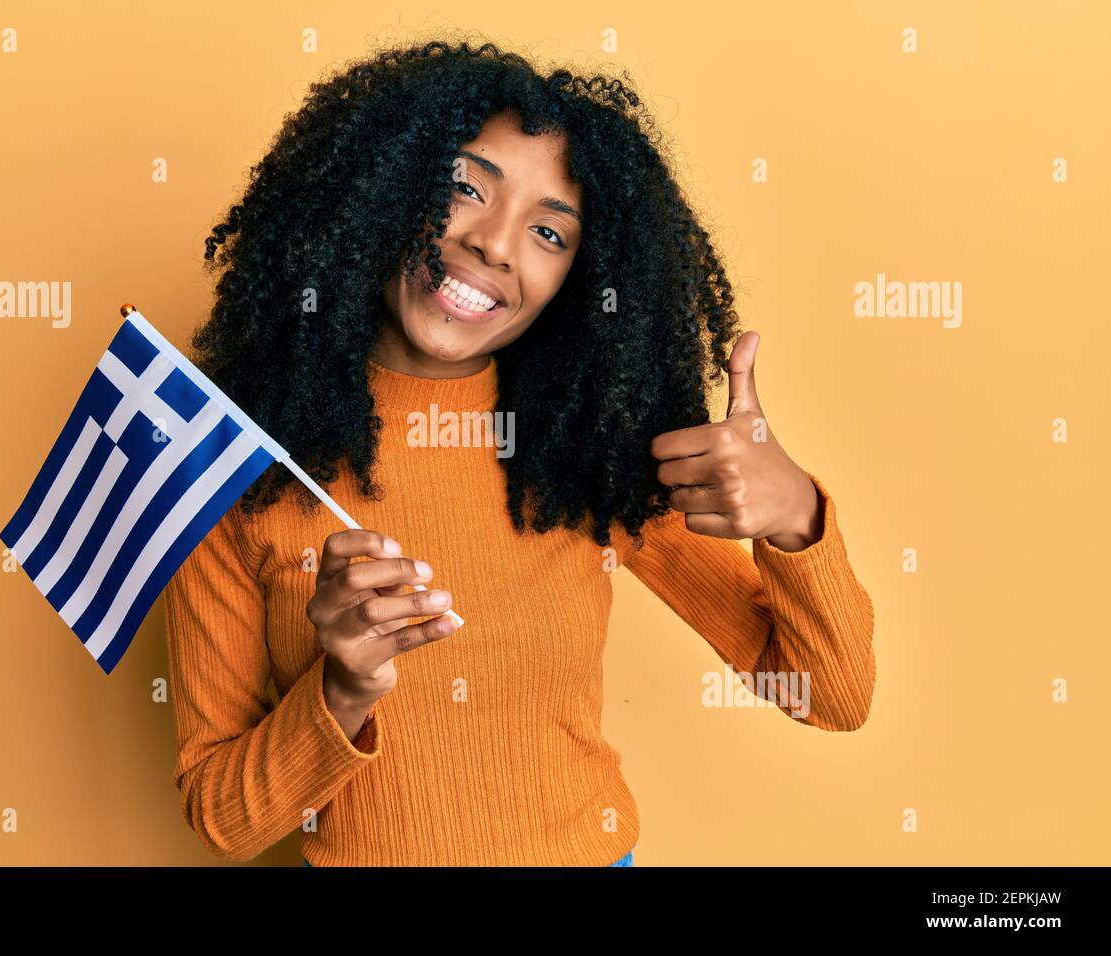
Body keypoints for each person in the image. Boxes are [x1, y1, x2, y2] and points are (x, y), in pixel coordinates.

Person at [163, 38, 876, 867]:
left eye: (548, 231)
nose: (495, 244)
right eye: (465, 186)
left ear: (580, 278)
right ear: (384, 189)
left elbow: (832, 696)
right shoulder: (239, 468)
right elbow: (222, 820)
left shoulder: (586, 454)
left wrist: (796, 517)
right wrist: (342, 689)